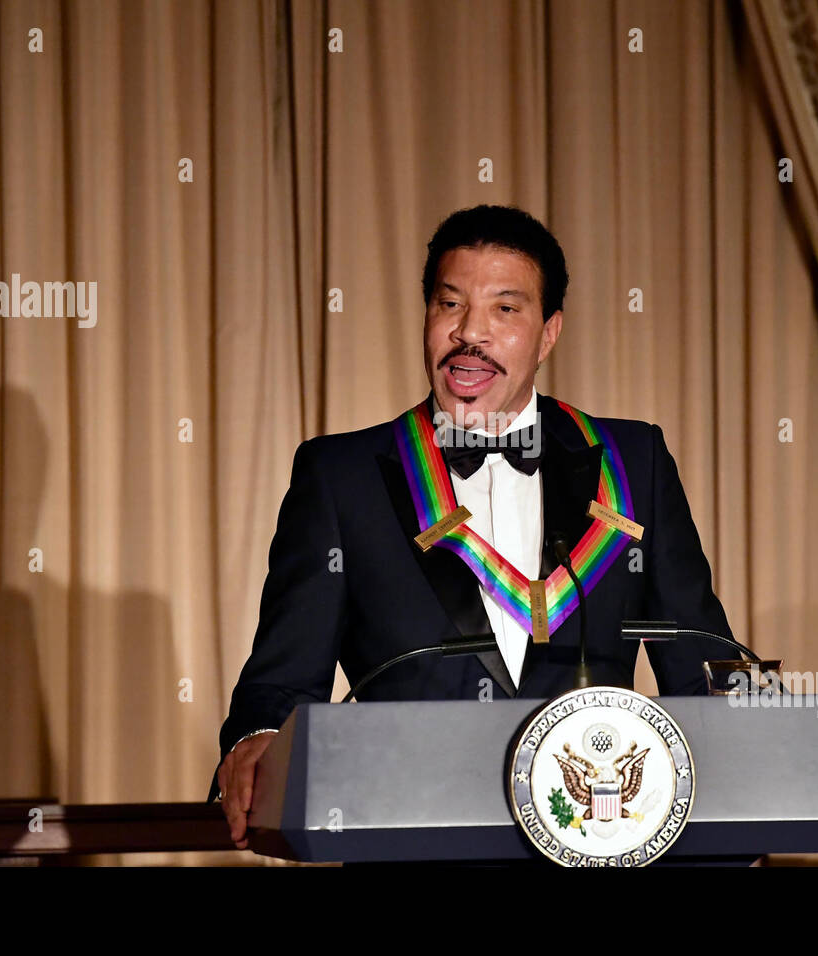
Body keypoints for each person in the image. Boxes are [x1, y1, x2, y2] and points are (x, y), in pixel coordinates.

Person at [213, 204, 734, 849]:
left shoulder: (633, 463)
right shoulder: (341, 474)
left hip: (599, 842)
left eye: (505, 310)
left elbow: (699, 656)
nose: (470, 334)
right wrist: (255, 737)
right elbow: (285, 673)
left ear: (549, 333)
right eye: (449, 304)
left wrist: (754, 739)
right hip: (405, 843)